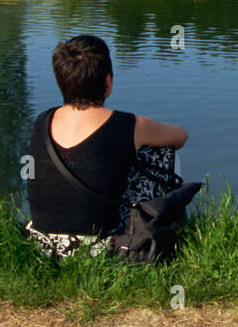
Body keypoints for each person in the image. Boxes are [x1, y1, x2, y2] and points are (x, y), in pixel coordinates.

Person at [26, 35, 188, 257]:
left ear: (60, 80)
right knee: (163, 151)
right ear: (108, 82)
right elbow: (181, 137)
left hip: (43, 245)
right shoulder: (129, 124)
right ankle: (169, 228)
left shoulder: (42, 120)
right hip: (101, 248)